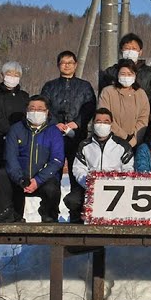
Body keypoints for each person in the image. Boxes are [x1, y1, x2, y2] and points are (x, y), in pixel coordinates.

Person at [39, 50, 97, 196]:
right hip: (54, 135)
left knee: (77, 174)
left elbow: (89, 107)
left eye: (70, 62)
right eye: (63, 63)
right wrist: (54, 123)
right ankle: (50, 213)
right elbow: (43, 106)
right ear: (58, 65)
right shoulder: (49, 86)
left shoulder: (85, 86)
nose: (67, 66)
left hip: (77, 136)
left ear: (76, 65)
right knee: (52, 174)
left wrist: (76, 123)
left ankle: (76, 213)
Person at [64, 108, 134, 222]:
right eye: (98, 121)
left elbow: (128, 168)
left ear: (111, 124)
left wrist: (116, 182)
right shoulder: (85, 145)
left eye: (106, 122)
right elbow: (78, 169)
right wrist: (89, 183)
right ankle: (77, 226)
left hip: (116, 188)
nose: (102, 125)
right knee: (72, 200)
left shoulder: (122, 145)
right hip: (90, 187)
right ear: (93, 124)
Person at [2, 95, 65, 223]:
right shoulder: (16, 129)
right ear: (27, 111)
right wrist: (20, 178)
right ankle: (7, 214)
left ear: (47, 112)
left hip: (44, 178)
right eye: (32, 108)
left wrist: (38, 179)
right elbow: (11, 157)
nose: (36, 112)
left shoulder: (54, 132)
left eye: (40, 109)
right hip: (21, 177)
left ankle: (49, 214)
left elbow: (57, 160)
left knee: (52, 188)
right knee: (2, 175)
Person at [0, 61, 31, 222]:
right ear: (2, 75)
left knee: (19, 178)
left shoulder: (24, 97)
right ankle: (1, 212)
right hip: (1, 143)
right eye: (9, 74)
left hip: (22, 145)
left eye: (16, 75)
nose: (12, 77)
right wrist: (13, 134)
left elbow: (28, 118)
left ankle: (18, 214)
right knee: (1, 178)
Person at [97, 59, 150, 148]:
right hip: (111, 142)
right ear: (117, 75)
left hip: (134, 144)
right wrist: (124, 137)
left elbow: (143, 119)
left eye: (129, 74)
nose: (126, 77)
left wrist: (133, 140)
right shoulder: (108, 92)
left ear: (135, 75)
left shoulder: (141, 94)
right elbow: (104, 116)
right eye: (123, 74)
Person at [99, 33, 151, 108]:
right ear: (121, 50)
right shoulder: (110, 72)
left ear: (140, 52)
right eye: (127, 48)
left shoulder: (149, 73)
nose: (130, 51)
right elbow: (102, 97)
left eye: (134, 49)